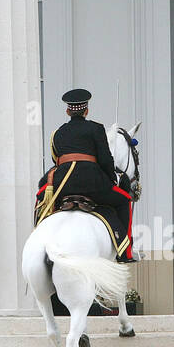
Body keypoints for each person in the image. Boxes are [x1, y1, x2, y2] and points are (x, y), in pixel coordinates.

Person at [35, 88, 135, 262]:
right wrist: (111, 179)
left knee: (40, 198)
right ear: (86, 110)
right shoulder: (96, 129)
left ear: (68, 111)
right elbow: (105, 159)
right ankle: (125, 252)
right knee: (124, 199)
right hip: (92, 183)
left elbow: (56, 159)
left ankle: (37, 240)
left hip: (62, 184)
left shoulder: (57, 133)